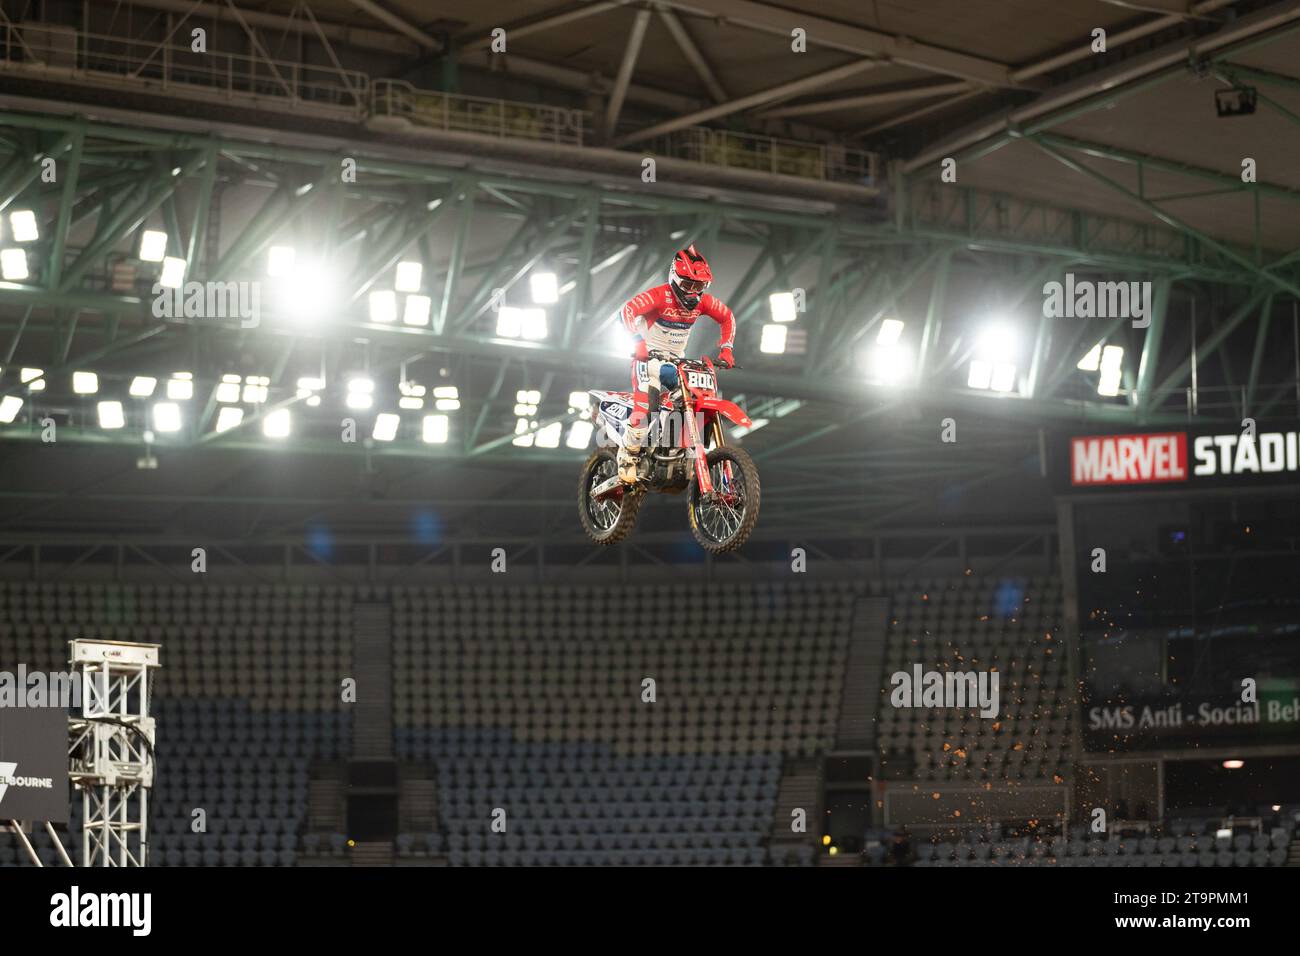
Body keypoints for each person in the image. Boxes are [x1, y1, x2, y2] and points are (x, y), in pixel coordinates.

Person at [615, 245, 736, 483]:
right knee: (646, 407)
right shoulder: (660, 295)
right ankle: (627, 455)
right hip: (647, 359)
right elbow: (627, 311)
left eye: (699, 286)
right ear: (674, 278)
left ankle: (681, 450)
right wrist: (637, 341)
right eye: (688, 285)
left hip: (677, 362)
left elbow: (727, 317)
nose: (693, 292)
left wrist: (727, 349)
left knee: (696, 399)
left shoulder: (703, 303)